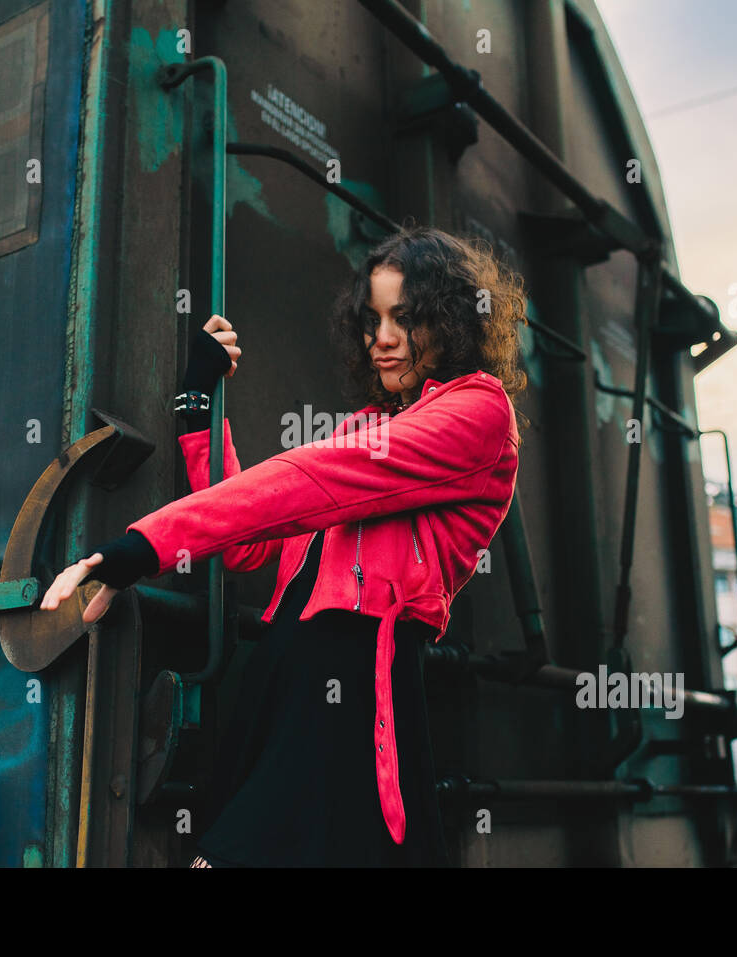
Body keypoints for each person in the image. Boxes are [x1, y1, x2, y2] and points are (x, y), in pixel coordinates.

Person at [41, 224, 529, 866]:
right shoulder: (369, 427)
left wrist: (142, 547)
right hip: (279, 672)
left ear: (448, 319)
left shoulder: (479, 415)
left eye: (403, 318)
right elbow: (253, 542)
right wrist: (197, 408)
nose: (380, 339)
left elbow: (309, 483)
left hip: (353, 679)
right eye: (371, 319)